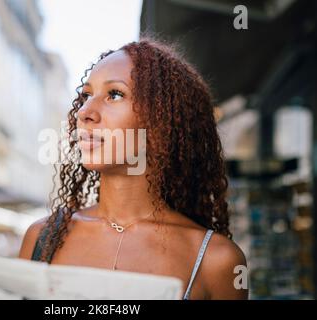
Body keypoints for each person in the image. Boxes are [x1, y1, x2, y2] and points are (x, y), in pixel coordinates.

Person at [19, 37, 248, 300]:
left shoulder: (216, 261)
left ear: (161, 121)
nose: (84, 112)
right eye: (86, 96)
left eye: (114, 94)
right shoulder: (42, 239)